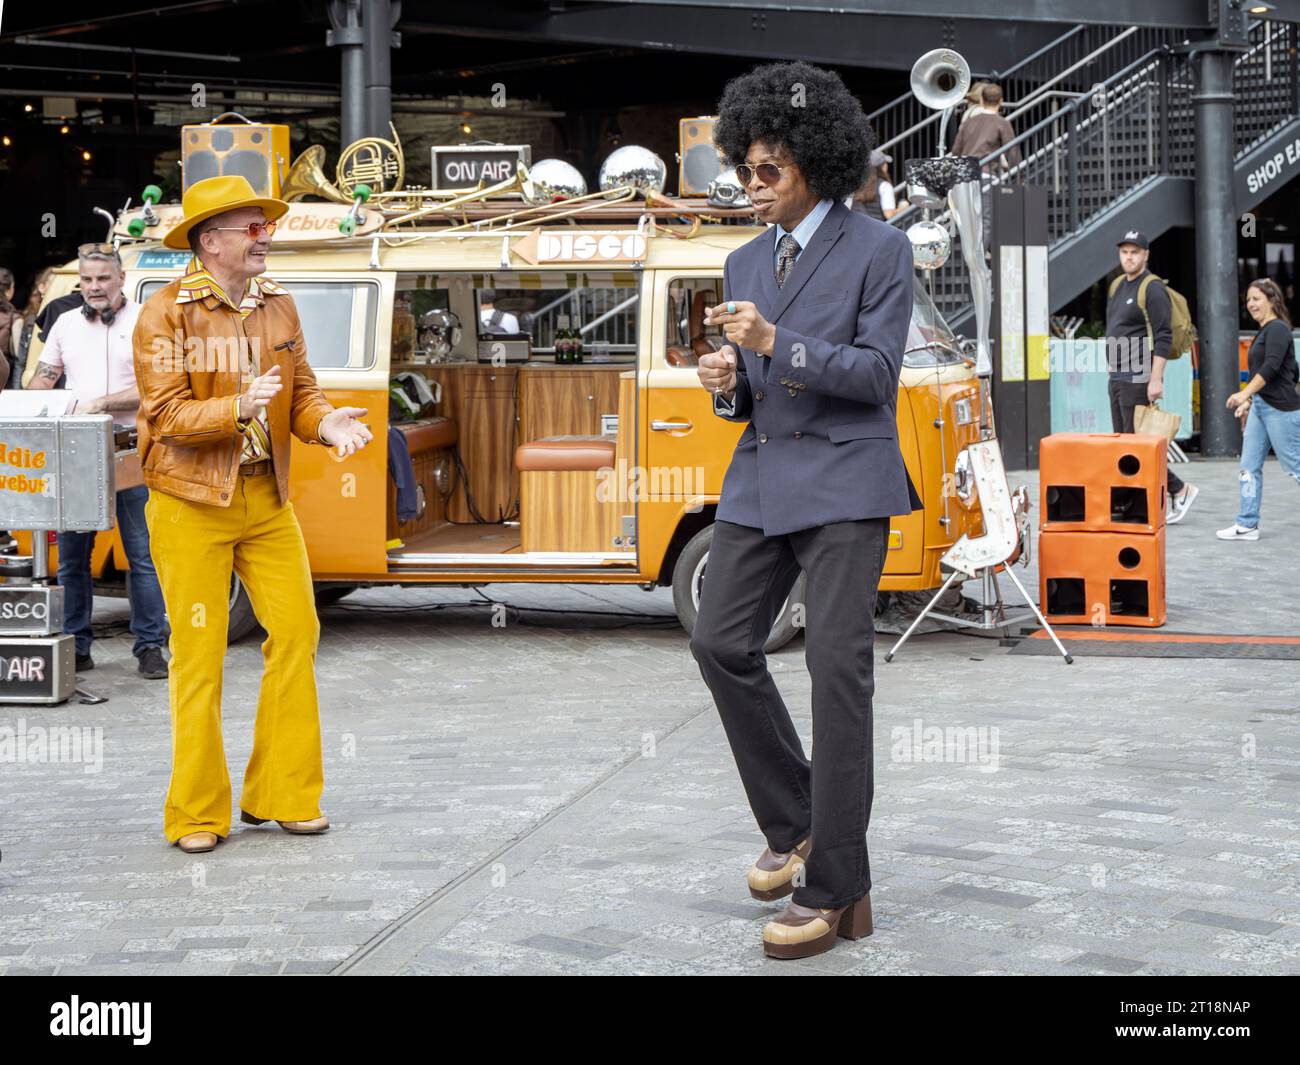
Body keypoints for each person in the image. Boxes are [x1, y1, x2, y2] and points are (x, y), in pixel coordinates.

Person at [691, 60, 921, 961]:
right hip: (760, 480)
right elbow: (750, 393)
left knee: (835, 672)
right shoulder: (744, 256)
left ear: (816, 168)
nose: (749, 186)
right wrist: (724, 384)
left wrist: (773, 341)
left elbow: (874, 377)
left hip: (847, 483)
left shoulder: (881, 249)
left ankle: (837, 886)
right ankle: (795, 821)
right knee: (719, 642)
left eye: (767, 171)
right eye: (744, 169)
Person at [133, 174, 373, 854]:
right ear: (211, 242)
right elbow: (166, 416)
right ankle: (196, 813)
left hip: (266, 499)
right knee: (200, 656)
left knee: (297, 631)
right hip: (188, 502)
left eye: (265, 228)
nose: (267, 239)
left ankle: (285, 794)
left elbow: (302, 395)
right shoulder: (165, 313)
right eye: (253, 229)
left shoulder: (280, 307)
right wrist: (238, 407)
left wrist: (328, 426)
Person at [26, 245, 168, 677]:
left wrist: (101, 402)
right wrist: (25, 408)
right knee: (71, 557)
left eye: (103, 279)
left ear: (121, 279)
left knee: (143, 555)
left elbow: (159, 389)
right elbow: (44, 378)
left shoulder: (147, 319)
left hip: (133, 448)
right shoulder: (66, 323)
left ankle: (149, 648)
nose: (95, 287)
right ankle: (77, 646)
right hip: (77, 452)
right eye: (87, 280)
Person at [1105, 230, 1198, 522]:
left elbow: (1163, 334)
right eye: (1125, 252)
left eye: (1135, 252)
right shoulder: (1118, 285)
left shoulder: (1152, 287)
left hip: (1139, 374)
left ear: (1146, 255)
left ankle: (1180, 489)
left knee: (1137, 444)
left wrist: (1156, 379)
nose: (1129, 257)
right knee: (1123, 442)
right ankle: (1132, 504)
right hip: (1117, 375)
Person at [1218, 278, 1300, 541]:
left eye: (1256, 298)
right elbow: (1288, 371)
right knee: (1248, 467)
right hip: (1261, 407)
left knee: (1295, 466)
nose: (1250, 304)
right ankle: (1247, 523)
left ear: (1272, 300)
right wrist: (1250, 401)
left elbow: (1272, 368)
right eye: (1248, 300)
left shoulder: (1278, 329)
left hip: (1281, 410)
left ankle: (1247, 523)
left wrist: (1244, 393)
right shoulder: (1264, 333)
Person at [951, 83, 1020, 251]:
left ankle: (972, 259)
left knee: (970, 220)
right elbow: (1013, 153)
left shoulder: (968, 122)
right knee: (987, 220)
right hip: (987, 176)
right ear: (1001, 101)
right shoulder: (1001, 123)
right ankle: (980, 259)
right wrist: (1019, 178)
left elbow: (956, 151)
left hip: (966, 177)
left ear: (981, 100)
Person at [849, 149, 908, 222]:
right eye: (885, 163)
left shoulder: (857, 184)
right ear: (882, 166)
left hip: (856, 226)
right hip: (876, 230)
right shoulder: (884, 186)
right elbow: (889, 214)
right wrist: (902, 208)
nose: (887, 165)